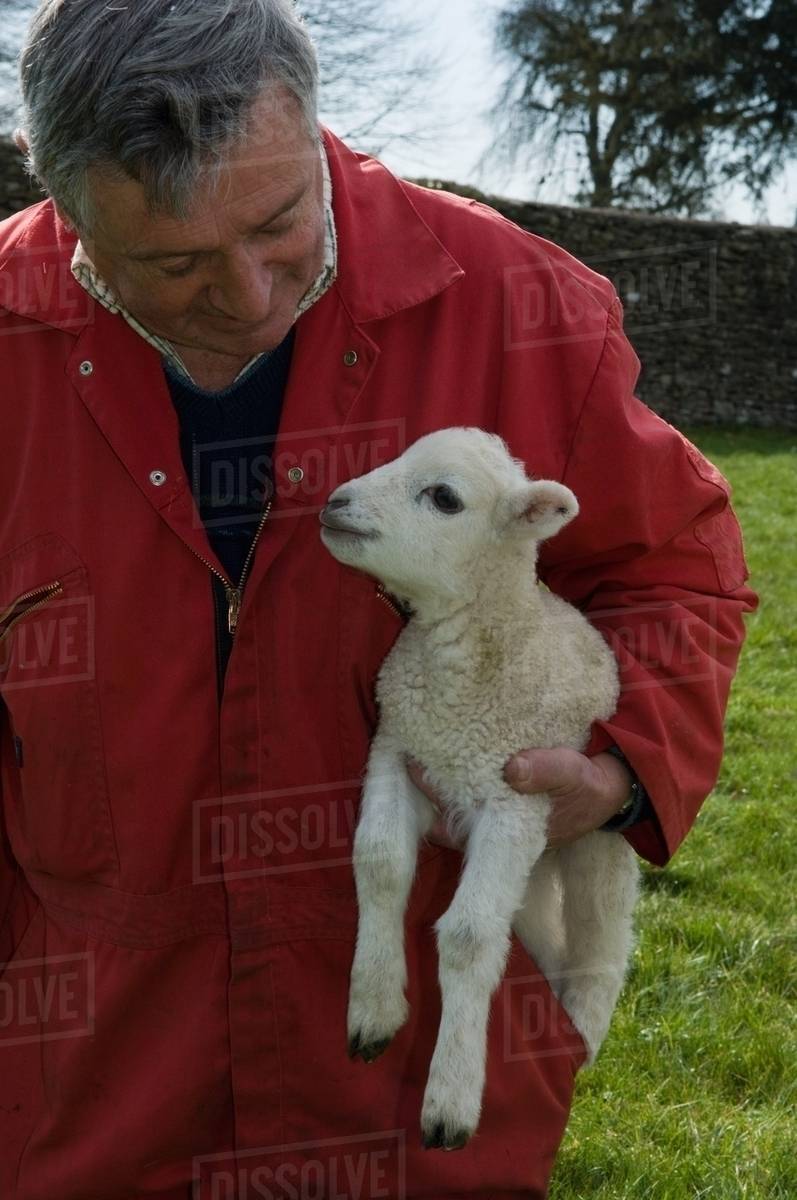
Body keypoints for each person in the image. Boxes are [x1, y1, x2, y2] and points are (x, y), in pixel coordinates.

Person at [0, 1, 757, 1197]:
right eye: (174, 265)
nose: (246, 296)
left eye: (278, 224)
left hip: (415, 1104)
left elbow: (676, 567)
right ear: (62, 202)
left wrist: (618, 764)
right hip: (85, 1097)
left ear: (310, 124)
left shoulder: (518, 306)